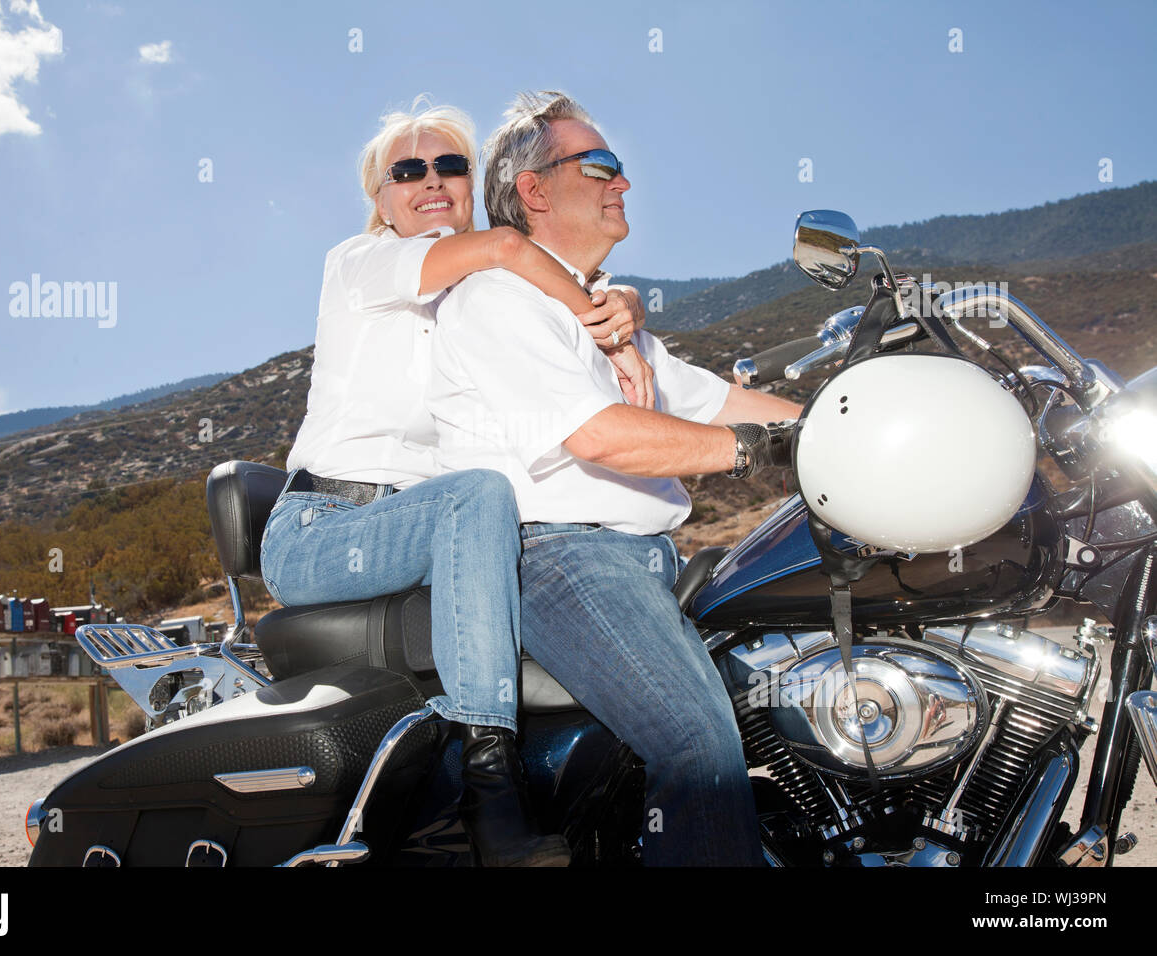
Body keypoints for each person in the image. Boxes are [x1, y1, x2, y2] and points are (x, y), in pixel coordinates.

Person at [259, 98, 652, 866]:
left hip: (419, 531)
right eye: (407, 170)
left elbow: (552, 272)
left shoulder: (486, 292)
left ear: (471, 180)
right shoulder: (362, 262)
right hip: (323, 527)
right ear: (380, 199)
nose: (430, 180)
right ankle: (489, 790)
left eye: (450, 164)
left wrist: (619, 303)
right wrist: (609, 331)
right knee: (479, 493)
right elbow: (511, 247)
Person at [426, 91, 803, 866]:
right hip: (564, 558)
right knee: (698, 749)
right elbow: (599, 437)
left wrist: (849, 416)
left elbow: (727, 400)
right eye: (601, 166)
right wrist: (750, 450)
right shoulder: (498, 299)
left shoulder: (608, 323)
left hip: (643, 563)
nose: (622, 183)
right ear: (533, 190)